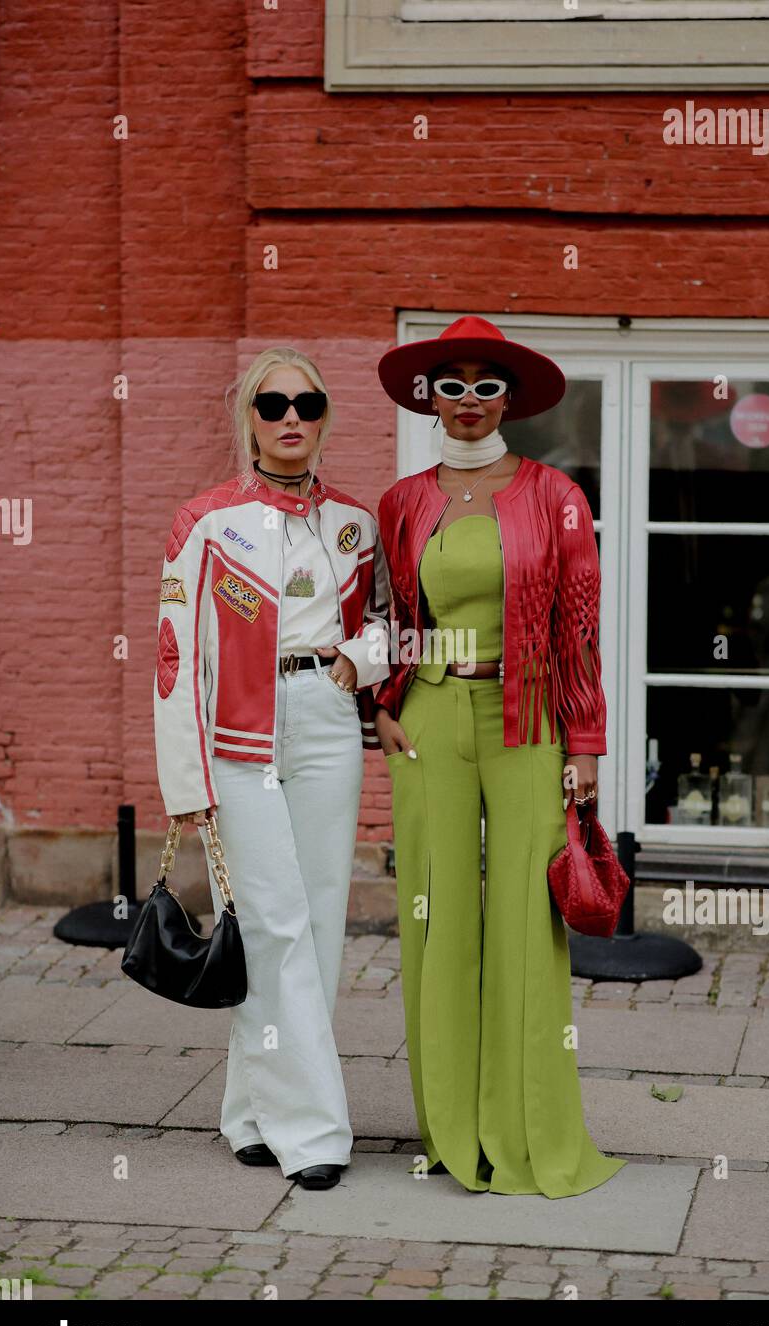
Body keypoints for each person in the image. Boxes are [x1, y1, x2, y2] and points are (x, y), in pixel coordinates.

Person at [374, 315, 628, 1198]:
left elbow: (579, 628)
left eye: (488, 385)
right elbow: (390, 616)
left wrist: (585, 743)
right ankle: (451, 1132)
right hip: (432, 719)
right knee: (437, 917)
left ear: (509, 398)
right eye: (454, 384)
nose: (470, 400)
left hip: (530, 722)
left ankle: (526, 1133)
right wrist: (385, 706)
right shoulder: (403, 501)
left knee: (527, 923)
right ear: (429, 397)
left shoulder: (555, 494)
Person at [153, 347, 390, 1190]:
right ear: (248, 418)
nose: (292, 418)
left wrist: (357, 661)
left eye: (308, 403)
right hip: (237, 732)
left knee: (319, 919)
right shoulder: (205, 522)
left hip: (325, 720)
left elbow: (392, 629)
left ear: (325, 416)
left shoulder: (356, 524)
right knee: (268, 917)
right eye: (273, 404)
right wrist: (187, 784)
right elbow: (173, 657)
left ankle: (251, 1112)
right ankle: (315, 1132)